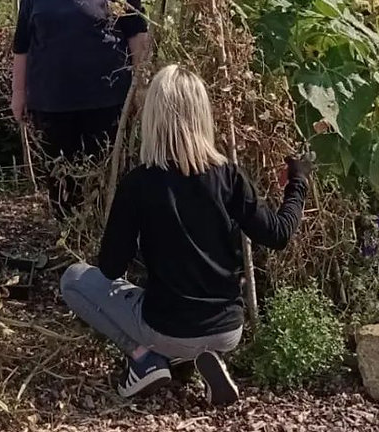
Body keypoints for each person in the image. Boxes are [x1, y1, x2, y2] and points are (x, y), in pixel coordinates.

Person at [60, 65, 311, 405]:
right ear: (202, 114)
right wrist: (298, 183)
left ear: (153, 117)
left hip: (168, 326)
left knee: (75, 278)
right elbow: (279, 234)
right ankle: (198, 357)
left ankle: (144, 359)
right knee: (188, 320)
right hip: (228, 329)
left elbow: (110, 268)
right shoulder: (230, 177)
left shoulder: (139, 183)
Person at [11, 0, 149, 217]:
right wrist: (19, 93)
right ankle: (67, 240)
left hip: (107, 99)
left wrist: (141, 87)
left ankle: (104, 241)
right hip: (52, 100)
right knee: (60, 179)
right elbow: (22, 41)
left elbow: (137, 33)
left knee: (105, 173)